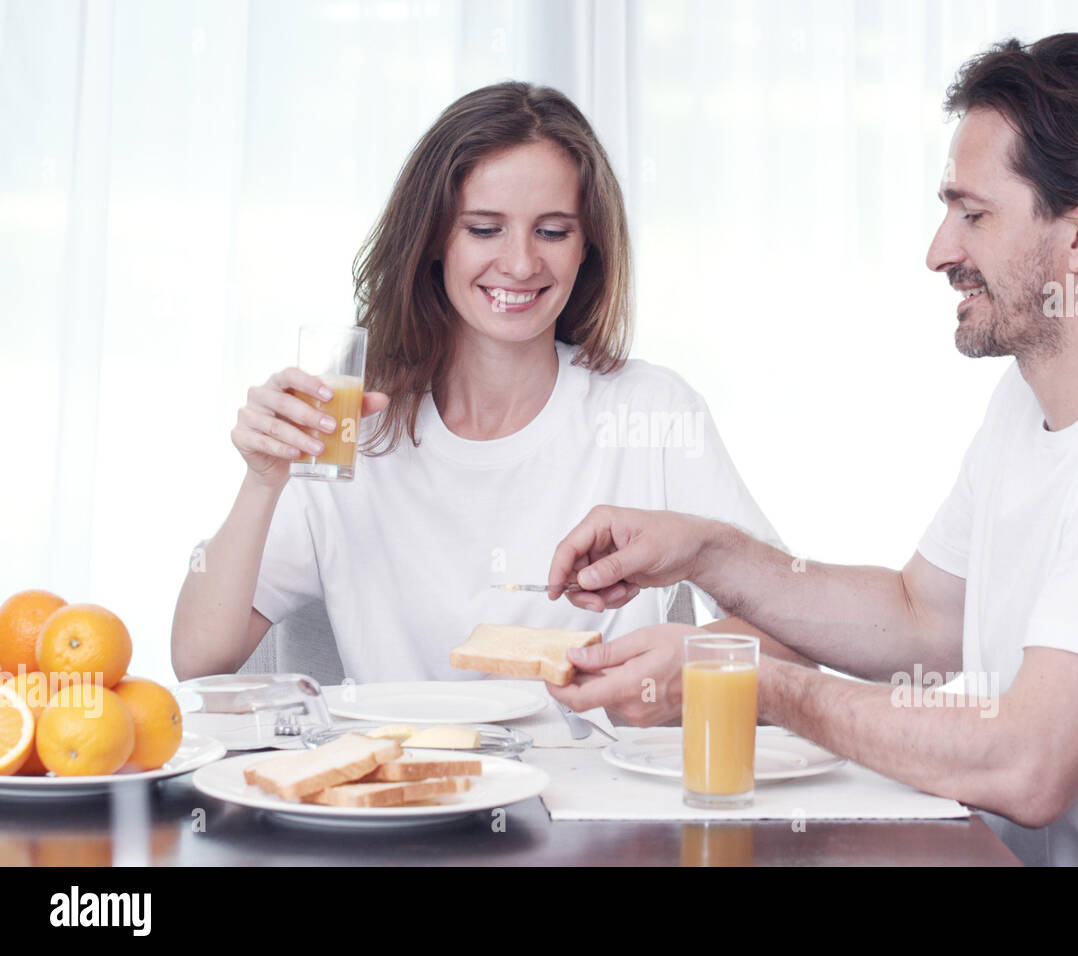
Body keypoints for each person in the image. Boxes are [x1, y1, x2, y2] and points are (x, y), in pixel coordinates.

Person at [544, 34, 1078, 866]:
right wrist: (707, 550)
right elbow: (921, 618)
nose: (939, 251)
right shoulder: (1033, 405)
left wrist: (758, 686)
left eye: (973, 214)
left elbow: (1027, 762)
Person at [171, 81, 792, 685]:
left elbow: (791, 643)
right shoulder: (347, 427)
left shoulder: (653, 412)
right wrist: (262, 480)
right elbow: (199, 657)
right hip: (413, 785)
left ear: (587, 248)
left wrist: (688, 658)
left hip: (600, 787)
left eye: (552, 231)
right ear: (435, 239)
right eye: (484, 228)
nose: (521, 263)